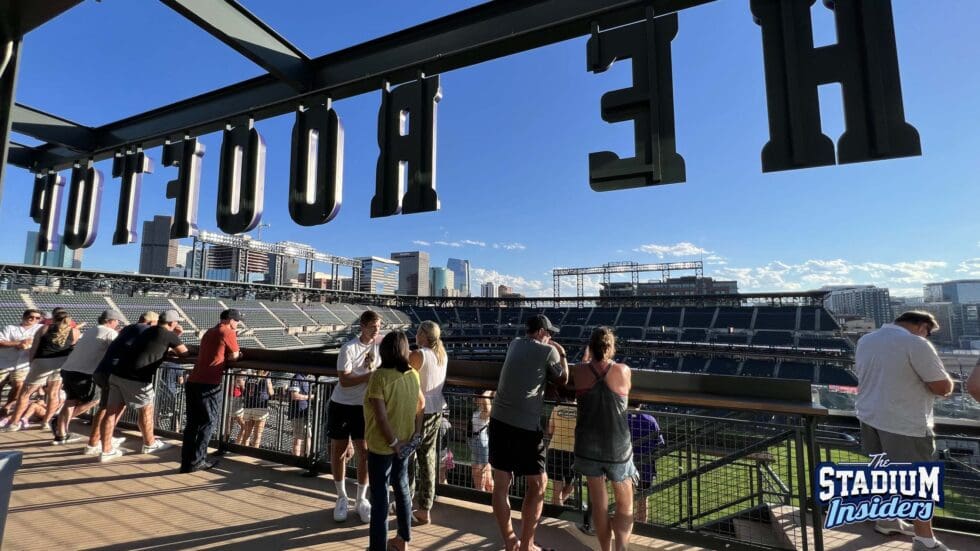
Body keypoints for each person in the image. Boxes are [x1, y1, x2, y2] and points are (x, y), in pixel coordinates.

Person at [855, 311, 954, 551]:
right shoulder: (916, 343)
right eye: (928, 331)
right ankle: (925, 540)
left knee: (883, 474)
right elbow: (943, 387)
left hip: (869, 418)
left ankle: (887, 519)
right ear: (922, 326)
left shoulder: (866, 340)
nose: (927, 335)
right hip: (905, 423)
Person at [489, 314, 568, 551]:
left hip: (499, 420)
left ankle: (510, 542)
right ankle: (527, 545)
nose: (551, 337)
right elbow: (563, 379)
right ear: (542, 332)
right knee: (538, 484)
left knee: (501, 484)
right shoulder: (548, 351)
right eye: (550, 333)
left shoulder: (514, 344)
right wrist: (561, 353)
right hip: (525, 425)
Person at [573, 327, 636, 551]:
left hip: (586, 445)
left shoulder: (579, 370)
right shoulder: (623, 370)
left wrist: (586, 359)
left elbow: (581, 375)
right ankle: (620, 548)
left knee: (599, 504)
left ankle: (605, 549)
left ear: (590, 347)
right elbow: (625, 392)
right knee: (625, 502)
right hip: (617, 446)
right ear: (611, 347)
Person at [100, 309, 189, 462]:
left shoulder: (148, 330)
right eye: (176, 322)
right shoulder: (168, 334)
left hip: (117, 373)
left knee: (110, 412)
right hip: (137, 377)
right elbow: (184, 353)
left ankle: (106, 450)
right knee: (146, 410)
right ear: (172, 323)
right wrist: (175, 336)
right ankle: (149, 443)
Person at [363, 331, 424, 551]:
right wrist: (415, 434)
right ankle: (403, 540)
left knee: (380, 498)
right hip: (406, 444)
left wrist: (393, 442)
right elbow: (421, 406)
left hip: (383, 446)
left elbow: (380, 416)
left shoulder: (379, 377)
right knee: (402, 488)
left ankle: (377, 547)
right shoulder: (413, 375)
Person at [328, 310, 382, 523]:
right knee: (339, 452)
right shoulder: (348, 348)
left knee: (365, 452)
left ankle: (361, 499)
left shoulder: (379, 347)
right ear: (363, 326)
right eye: (373, 327)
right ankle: (341, 497)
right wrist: (370, 375)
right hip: (342, 404)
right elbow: (344, 380)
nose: (376, 330)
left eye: (379, 327)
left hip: (364, 407)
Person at [84, 311, 158, 456]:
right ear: (150, 322)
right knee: (108, 409)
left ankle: (100, 442)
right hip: (113, 371)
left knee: (110, 408)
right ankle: (96, 444)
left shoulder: (129, 328)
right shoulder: (144, 329)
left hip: (103, 370)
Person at [181, 308, 241, 473]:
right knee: (208, 422)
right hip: (209, 383)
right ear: (230, 320)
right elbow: (235, 355)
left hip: (193, 380)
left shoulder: (210, 331)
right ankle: (198, 461)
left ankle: (186, 461)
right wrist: (234, 355)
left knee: (192, 424)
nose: (238, 324)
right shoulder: (227, 331)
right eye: (237, 321)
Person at [53, 309, 122, 444]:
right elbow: (119, 350)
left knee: (70, 401)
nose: (117, 324)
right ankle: (58, 421)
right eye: (117, 321)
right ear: (111, 321)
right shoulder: (110, 333)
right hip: (85, 372)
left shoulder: (91, 330)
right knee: (94, 400)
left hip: (68, 369)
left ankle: (61, 434)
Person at [4, 310, 80, 432]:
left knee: (25, 394)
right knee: (54, 394)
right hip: (60, 364)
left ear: (53, 319)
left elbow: (34, 348)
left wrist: (31, 363)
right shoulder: (75, 331)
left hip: (42, 362)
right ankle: (45, 422)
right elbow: (73, 348)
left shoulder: (44, 329)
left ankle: (14, 422)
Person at [407, 320, 448, 525]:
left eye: (418, 332)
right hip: (436, 409)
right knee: (428, 458)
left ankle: (409, 502)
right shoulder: (442, 354)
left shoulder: (418, 354)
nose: (415, 334)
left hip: (417, 411)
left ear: (424, 335)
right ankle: (424, 506)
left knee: (409, 458)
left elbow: (401, 376)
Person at [0, 309, 43, 415]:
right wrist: (18, 343)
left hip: (23, 364)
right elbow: (1, 342)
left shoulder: (40, 329)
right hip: (4, 362)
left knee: (18, 386)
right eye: (31, 317)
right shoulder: (10, 328)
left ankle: (6, 407)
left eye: (37, 318)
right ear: (24, 317)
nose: (34, 319)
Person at [546, 400, 577, 506]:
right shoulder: (581, 409)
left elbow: (550, 430)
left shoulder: (556, 407)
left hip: (555, 449)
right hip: (572, 452)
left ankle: (554, 506)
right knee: (571, 485)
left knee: (557, 486)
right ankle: (556, 508)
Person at [239, 369, 274, 447]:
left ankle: (243, 452)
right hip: (260, 407)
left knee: (247, 433)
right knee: (257, 435)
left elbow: (244, 387)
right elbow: (271, 392)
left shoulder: (250, 376)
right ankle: (254, 453)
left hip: (248, 406)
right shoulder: (266, 378)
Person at [469, 390, 494, 492]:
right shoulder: (478, 411)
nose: (476, 399)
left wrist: (486, 394)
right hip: (476, 442)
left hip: (481, 442)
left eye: (478, 397)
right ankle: (488, 494)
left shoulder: (485, 413)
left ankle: (481, 493)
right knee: (485, 473)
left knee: (478, 472)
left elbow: (488, 409)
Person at [287, 371, 315, 457]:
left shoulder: (305, 378)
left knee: (308, 437)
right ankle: (297, 460)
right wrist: (310, 397)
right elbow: (294, 395)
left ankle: (305, 458)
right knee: (298, 439)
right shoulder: (297, 377)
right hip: (297, 414)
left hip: (305, 414)